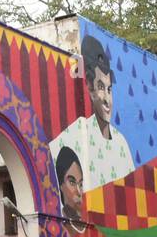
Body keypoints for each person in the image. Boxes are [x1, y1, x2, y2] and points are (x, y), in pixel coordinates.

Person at [48, 34, 134, 191]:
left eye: (109, 89)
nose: (107, 99)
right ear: (89, 88)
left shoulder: (122, 144)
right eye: (101, 87)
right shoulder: (70, 138)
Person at [55, 146, 86, 231]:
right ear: (61, 185)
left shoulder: (89, 226)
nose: (79, 192)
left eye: (81, 184)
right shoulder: (58, 226)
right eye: (72, 182)